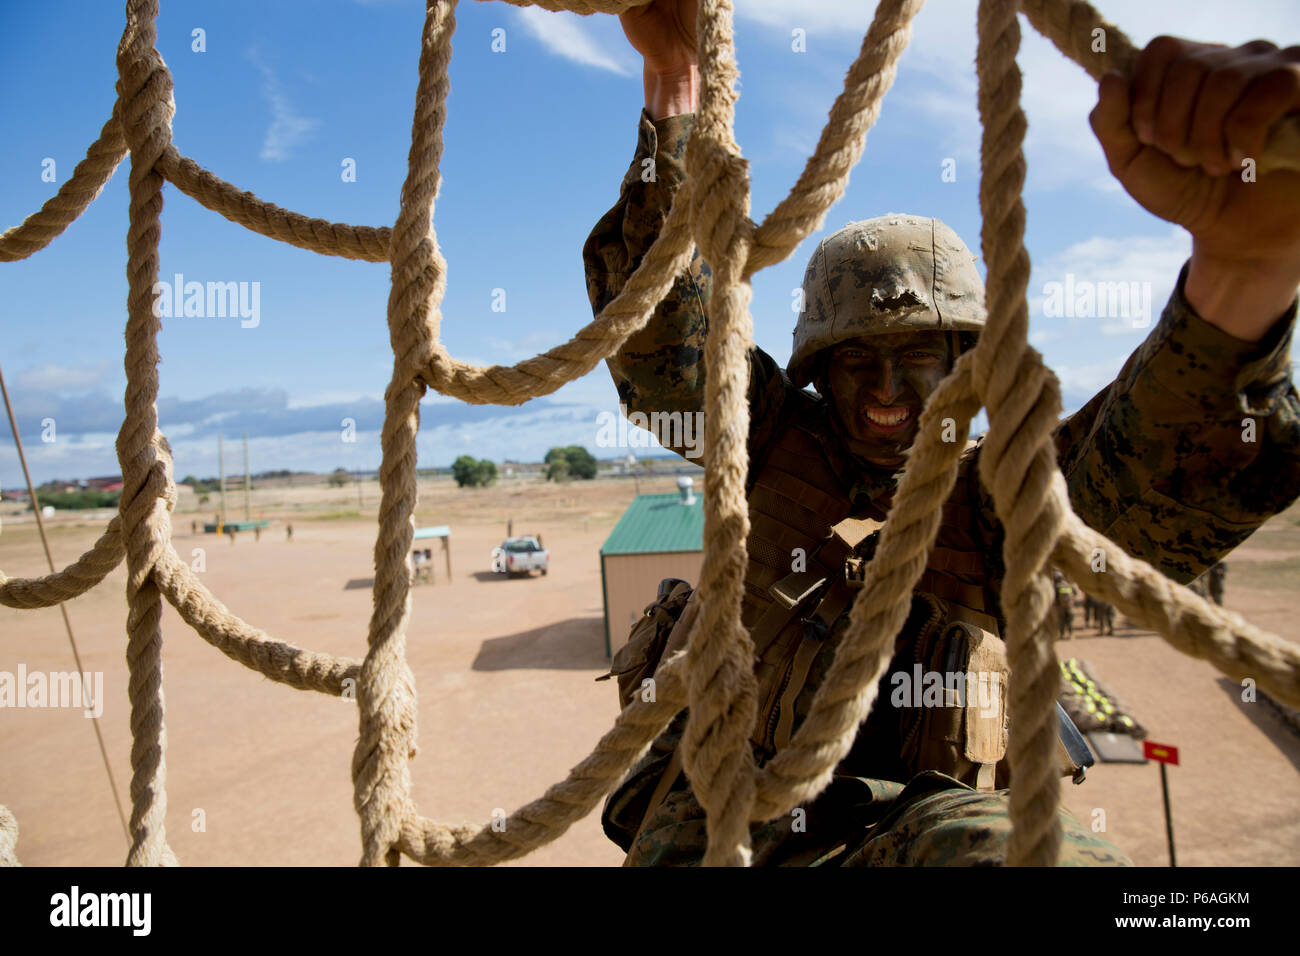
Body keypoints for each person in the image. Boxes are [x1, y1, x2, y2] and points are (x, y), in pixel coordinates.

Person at [586, 0, 1300, 867]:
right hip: (719, 829)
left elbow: (1155, 471)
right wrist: (675, 78)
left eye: (919, 356)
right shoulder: (771, 444)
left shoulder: (998, 506)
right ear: (817, 369)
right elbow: (669, 343)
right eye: (857, 362)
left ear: (965, 360)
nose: (888, 390)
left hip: (917, 839)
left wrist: (1242, 273)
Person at [1052, 568, 1076, 640]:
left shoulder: (1057, 587)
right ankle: (1071, 634)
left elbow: (1055, 597)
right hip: (1070, 606)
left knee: (1062, 621)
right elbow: (1075, 593)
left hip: (1061, 607)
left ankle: (1062, 635)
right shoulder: (1069, 585)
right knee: (1070, 621)